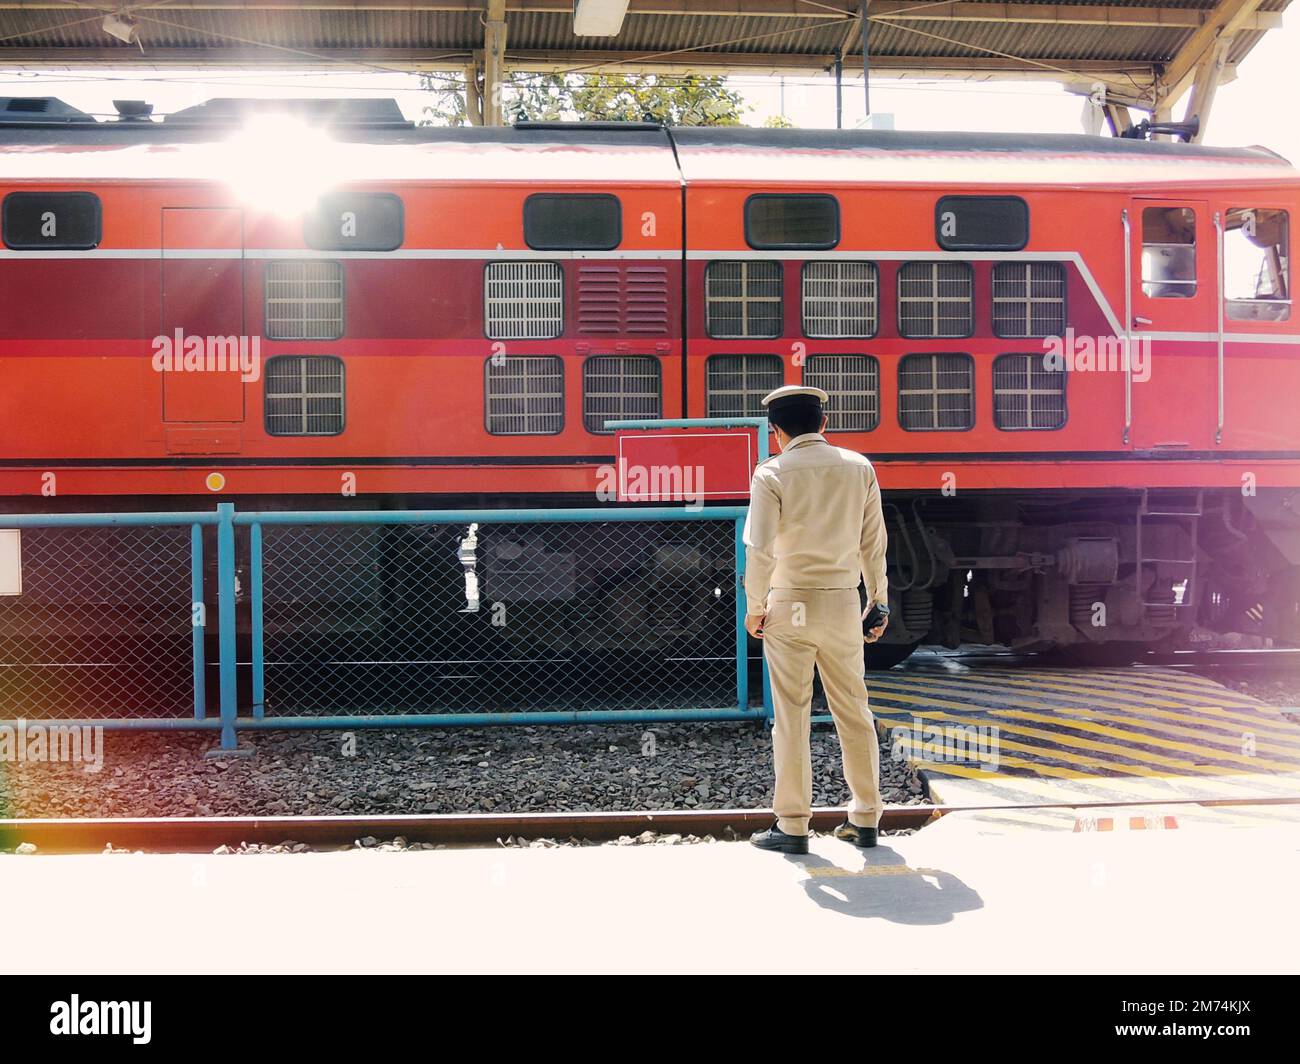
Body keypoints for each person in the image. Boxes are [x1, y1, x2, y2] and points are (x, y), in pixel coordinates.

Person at [743, 384, 890, 855]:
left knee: (791, 716)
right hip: (844, 603)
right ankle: (865, 818)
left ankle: (792, 825)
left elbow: (760, 549)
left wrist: (755, 605)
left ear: (776, 432)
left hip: (789, 605)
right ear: (824, 423)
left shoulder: (771, 473)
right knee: (854, 710)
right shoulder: (859, 468)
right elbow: (873, 543)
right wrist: (879, 600)